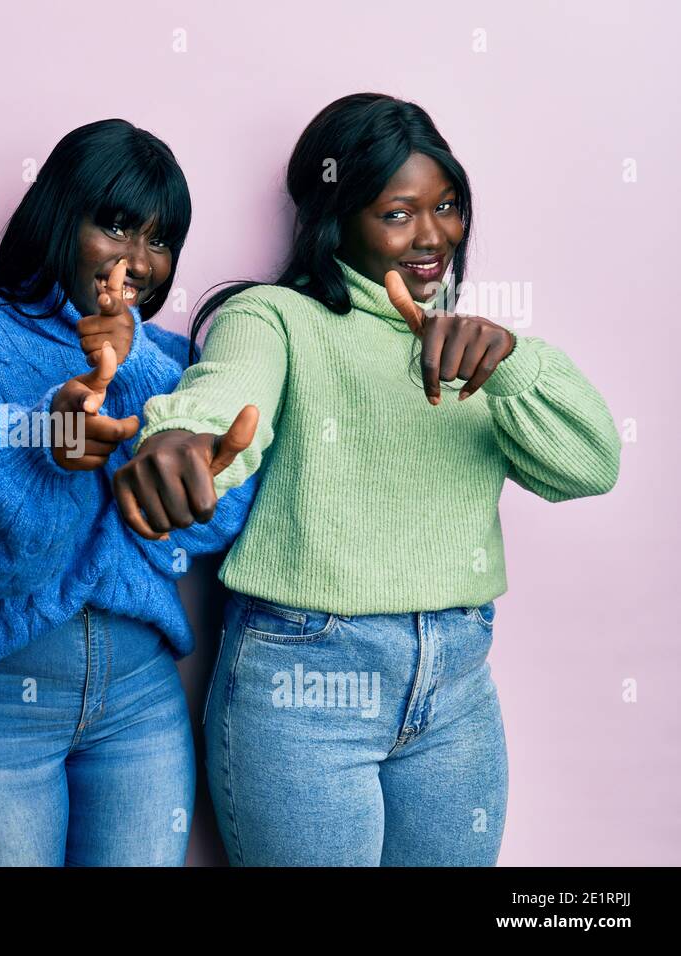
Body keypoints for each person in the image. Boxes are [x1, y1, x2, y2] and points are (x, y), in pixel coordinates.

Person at [115, 93, 622, 866]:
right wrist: (185, 438)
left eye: (448, 205)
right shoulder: (276, 317)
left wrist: (513, 361)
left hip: (455, 687)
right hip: (305, 679)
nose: (434, 236)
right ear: (337, 217)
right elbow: (222, 396)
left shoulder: (475, 353)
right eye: (397, 213)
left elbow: (592, 464)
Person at [0, 119, 259, 866]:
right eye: (115, 225)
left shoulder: (176, 363)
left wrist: (136, 369)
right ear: (60, 214)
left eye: (159, 239)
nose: (136, 260)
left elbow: (214, 528)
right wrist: (42, 448)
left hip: (140, 705)